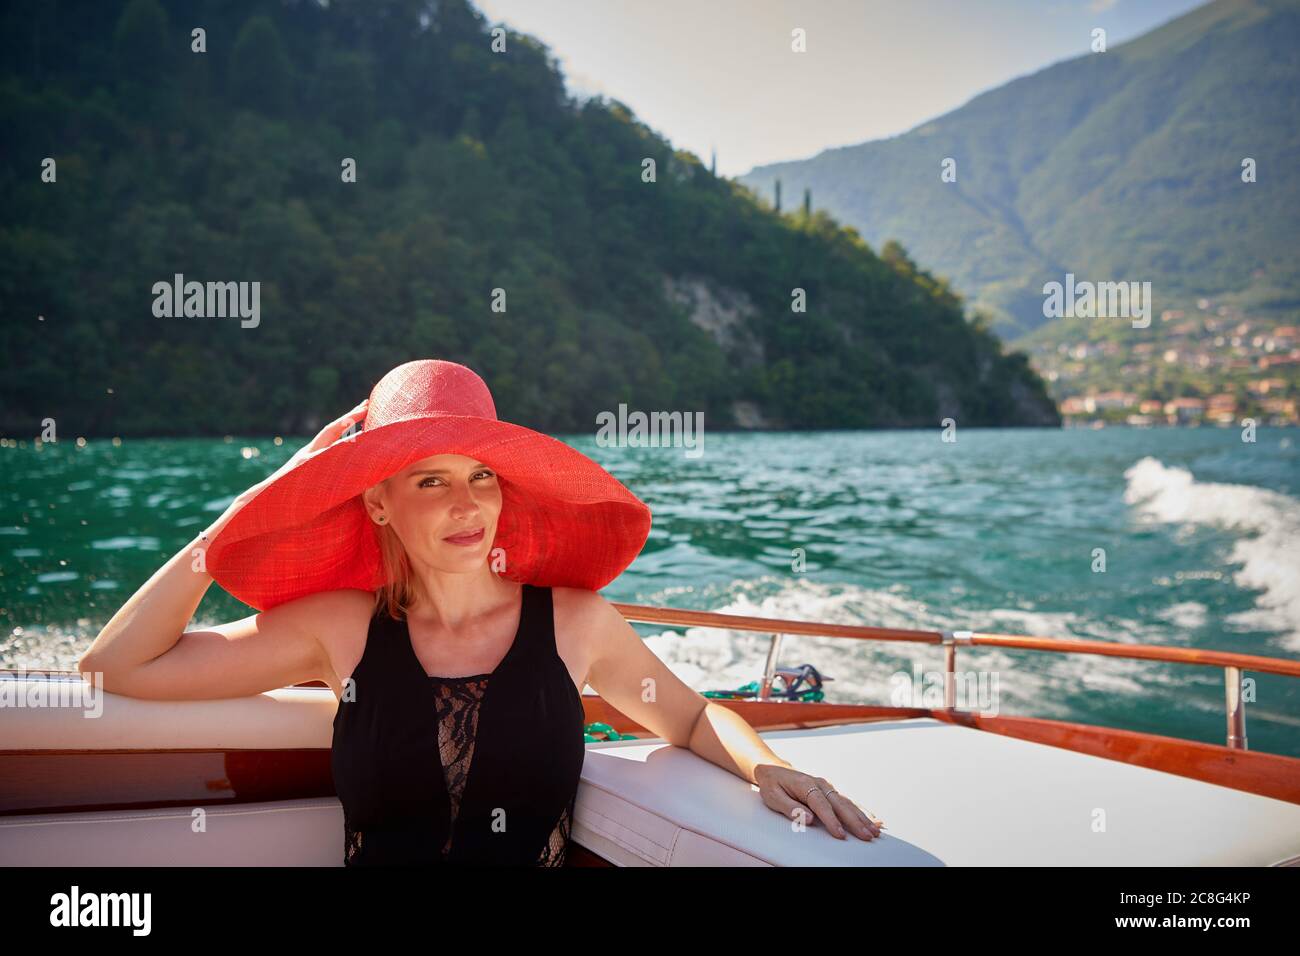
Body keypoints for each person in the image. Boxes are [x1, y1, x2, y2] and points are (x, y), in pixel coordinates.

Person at [78, 359, 884, 866]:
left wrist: (768, 768)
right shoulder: (339, 629)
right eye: (430, 480)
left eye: (482, 477)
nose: (466, 504)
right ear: (380, 504)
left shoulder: (574, 622)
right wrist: (238, 516)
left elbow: (692, 718)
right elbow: (118, 666)